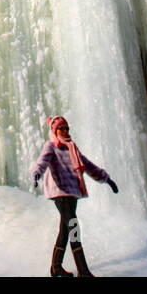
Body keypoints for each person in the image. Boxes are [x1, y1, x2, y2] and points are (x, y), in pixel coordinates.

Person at [31, 115, 117, 277]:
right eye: (61, 128)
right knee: (73, 225)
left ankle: (56, 267)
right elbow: (42, 162)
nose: (65, 131)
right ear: (55, 130)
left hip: (72, 192)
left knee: (65, 229)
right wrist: (36, 174)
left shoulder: (72, 148)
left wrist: (107, 179)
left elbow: (88, 166)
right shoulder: (51, 146)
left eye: (67, 128)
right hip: (59, 191)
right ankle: (82, 270)